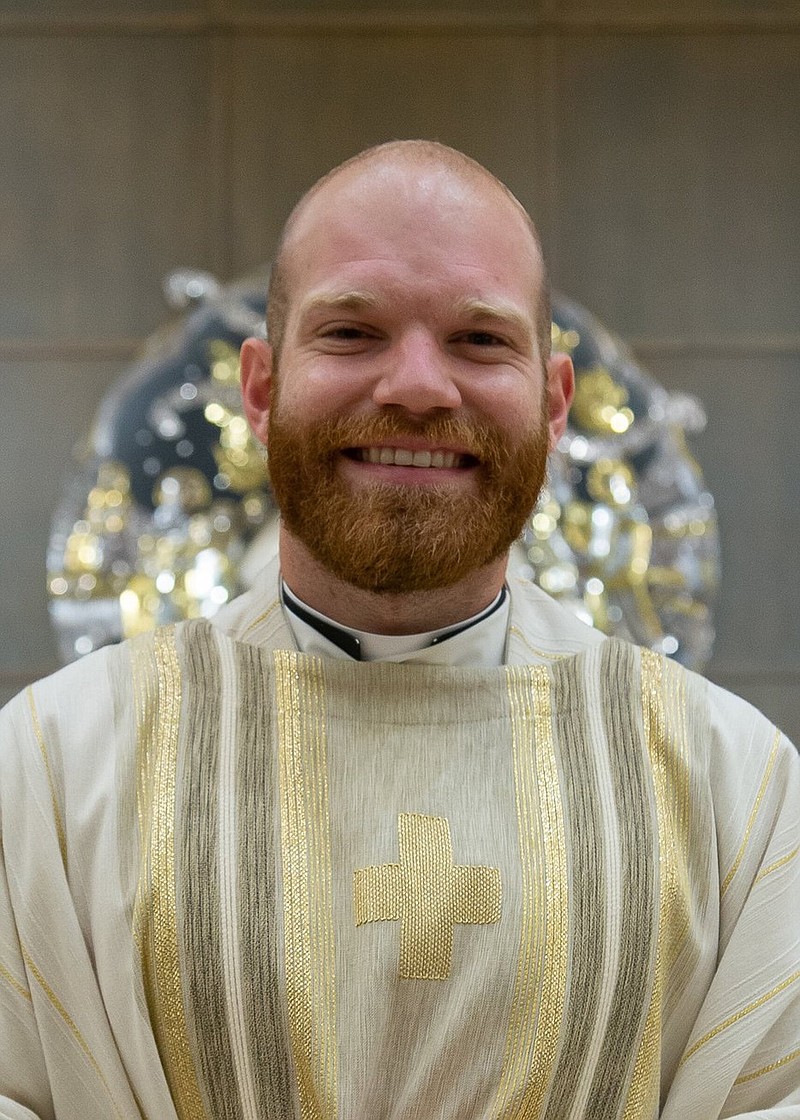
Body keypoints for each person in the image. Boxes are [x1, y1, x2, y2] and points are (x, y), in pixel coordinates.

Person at [1, 140, 798, 1120]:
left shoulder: (735, 785)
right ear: (258, 387)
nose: (416, 386)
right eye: (350, 332)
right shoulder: (48, 766)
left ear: (553, 403)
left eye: (477, 341)